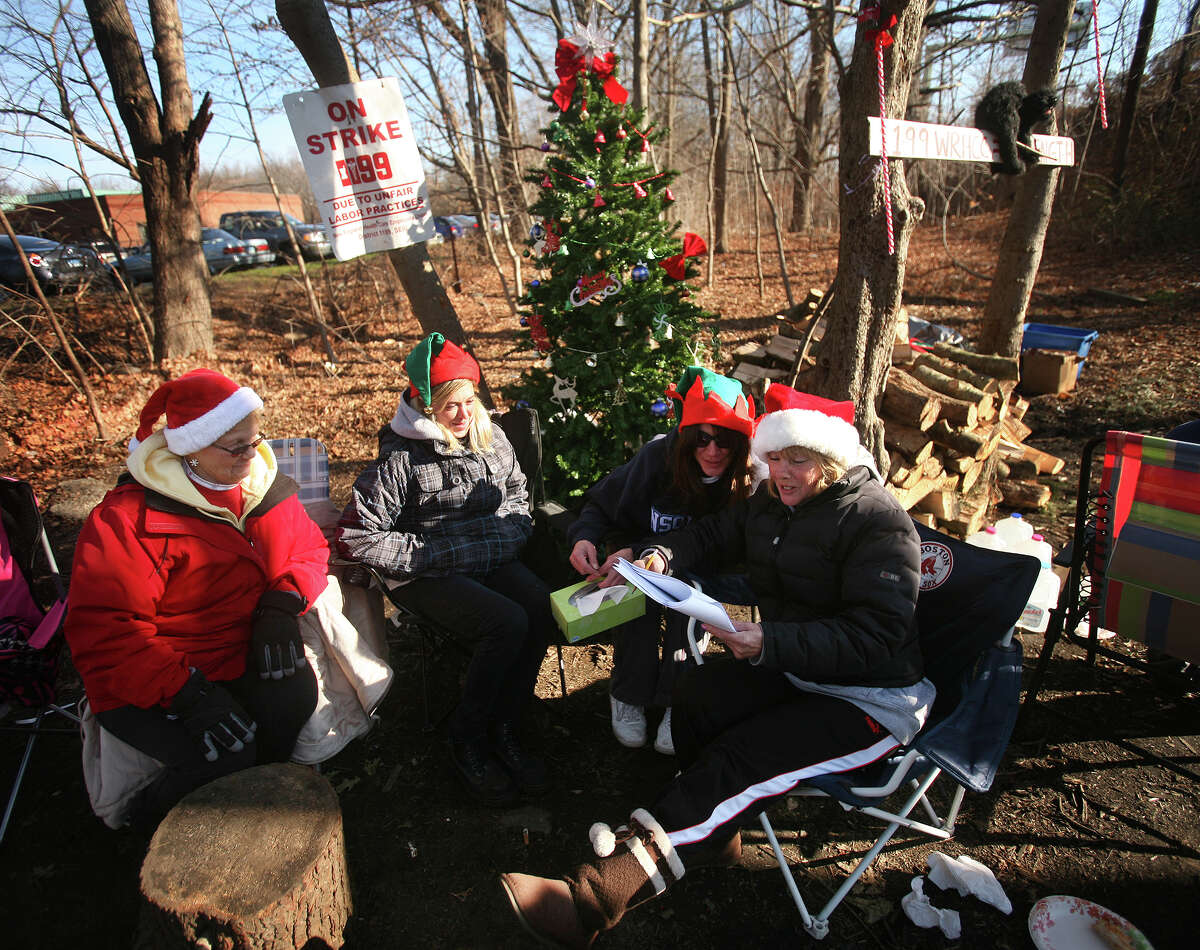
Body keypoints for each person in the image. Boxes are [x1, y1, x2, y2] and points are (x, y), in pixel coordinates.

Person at [499, 387, 935, 947]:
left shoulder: (878, 522)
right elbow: (710, 532)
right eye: (774, 458)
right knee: (699, 694)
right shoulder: (776, 501)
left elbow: (879, 635)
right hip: (799, 670)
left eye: (797, 459)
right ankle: (712, 835)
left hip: (871, 699)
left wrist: (770, 641)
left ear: (831, 460)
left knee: (740, 758)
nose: (782, 472)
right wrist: (660, 554)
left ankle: (592, 900)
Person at [65, 369, 329, 830]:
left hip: (236, 650)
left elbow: (308, 550)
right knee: (223, 754)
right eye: (235, 447)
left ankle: (261, 809)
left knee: (293, 698)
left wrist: (282, 605)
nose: (252, 454)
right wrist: (186, 695)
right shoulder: (128, 520)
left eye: (254, 439)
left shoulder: (263, 487)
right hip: (149, 678)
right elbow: (107, 632)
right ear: (190, 446)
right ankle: (151, 826)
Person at [336, 332, 553, 805]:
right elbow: (356, 535)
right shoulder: (400, 458)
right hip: (423, 571)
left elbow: (518, 497)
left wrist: (499, 539)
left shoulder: (490, 438)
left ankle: (506, 722)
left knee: (538, 605)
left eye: (470, 401)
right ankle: (467, 737)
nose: (464, 415)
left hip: (486, 554)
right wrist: (437, 553)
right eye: (450, 405)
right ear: (424, 403)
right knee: (505, 622)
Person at [566, 367, 760, 754]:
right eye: (702, 439)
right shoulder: (658, 457)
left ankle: (679, 699)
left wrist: (652, 555)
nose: (713, 451)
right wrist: (584, 537)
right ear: (686, 436)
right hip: (641, 556)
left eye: (725, 441)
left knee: (687, 600)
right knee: (638, 593)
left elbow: (718, 542)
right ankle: (628, 692)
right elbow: (603, 502)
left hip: (708, 568)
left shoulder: (749, 480)